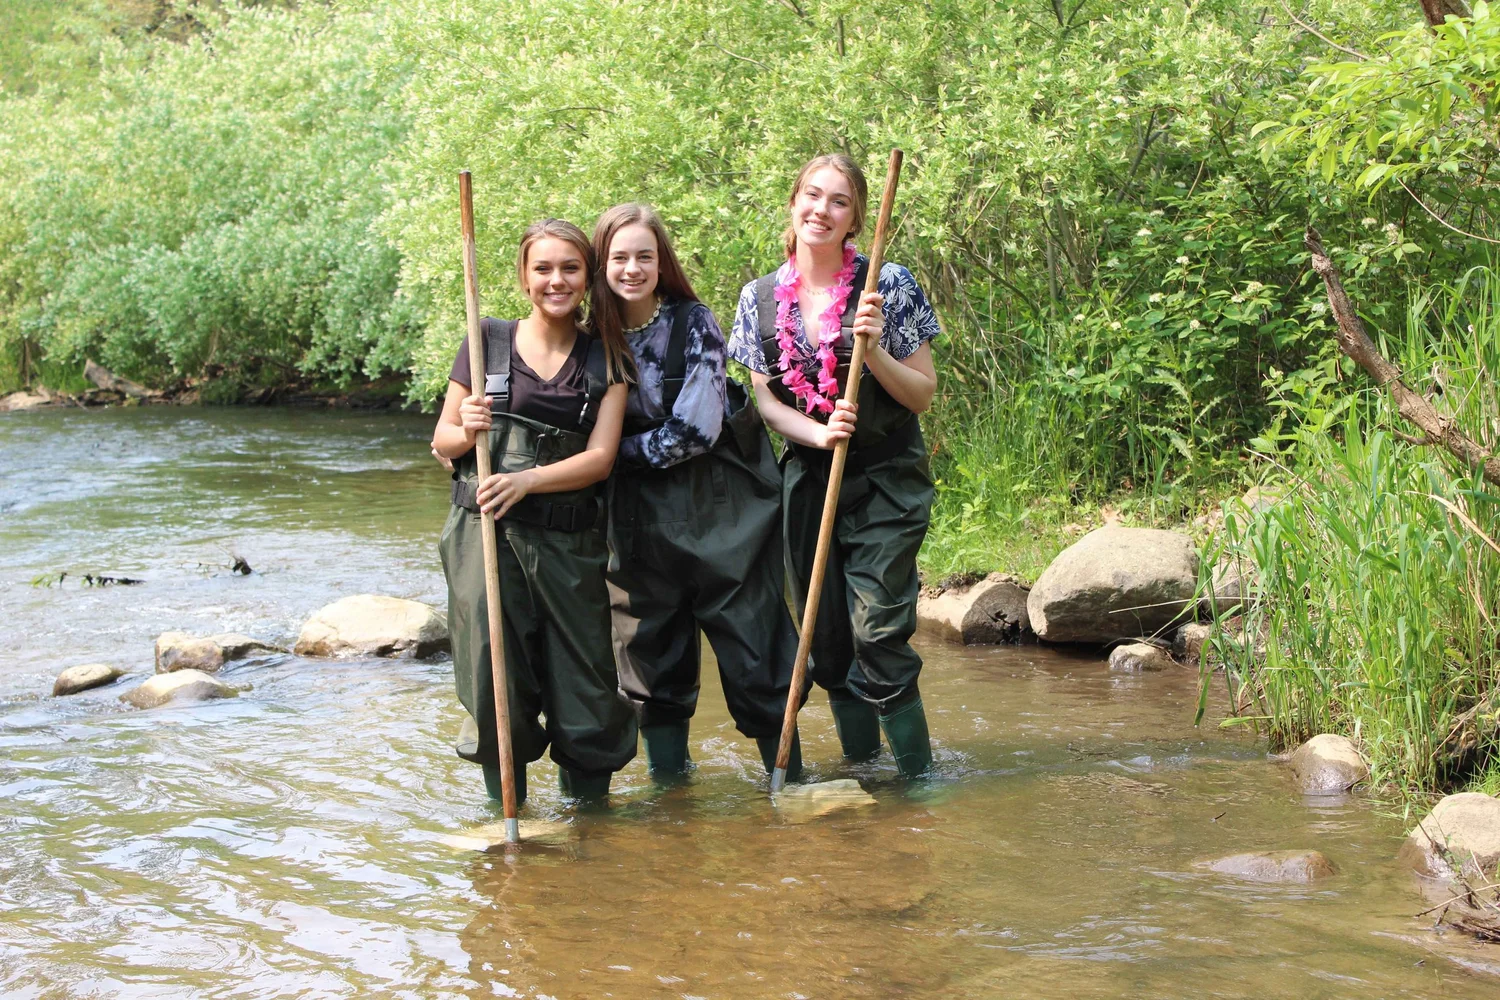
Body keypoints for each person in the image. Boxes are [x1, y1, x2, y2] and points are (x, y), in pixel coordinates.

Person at [727, 154, 941, 777]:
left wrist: (870, 353)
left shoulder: (888, 284)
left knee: (877, 632)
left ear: (856, 218)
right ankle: (863, 771)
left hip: (885, 478)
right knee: (828, 644)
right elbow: (765, 398)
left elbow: (922, 393)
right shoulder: (760, 298)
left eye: (839, 201)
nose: (822, 209)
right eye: (812, 196)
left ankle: (917, 781)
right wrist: (817, 435)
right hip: (810, 478)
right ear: (793, 202)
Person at [592, 203, 803, 781]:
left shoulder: (694, 323)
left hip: (721, 511)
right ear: (599, 263)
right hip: (634, 521)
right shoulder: (590, 336)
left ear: (663, 263)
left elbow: (696, 429)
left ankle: (788, 785)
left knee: (755, 650)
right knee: (648, 659)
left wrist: (609, 457)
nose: (632, 268)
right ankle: (672, 806)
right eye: (619, 257)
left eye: (645, 256)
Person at [432, 218, 637, 803]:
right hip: (482, 540)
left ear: (587, 276)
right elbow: (442, 442)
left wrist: (527, 481)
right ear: (523, 277)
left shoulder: (607, 357)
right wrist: (464, 425)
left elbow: (600, 458)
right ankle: (510, 832)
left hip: (570, 546)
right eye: (543, 268)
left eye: (570, 268)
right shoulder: (485, 340)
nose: (556, 280)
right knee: (494, 680)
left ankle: (590, 831)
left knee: (586, 688)